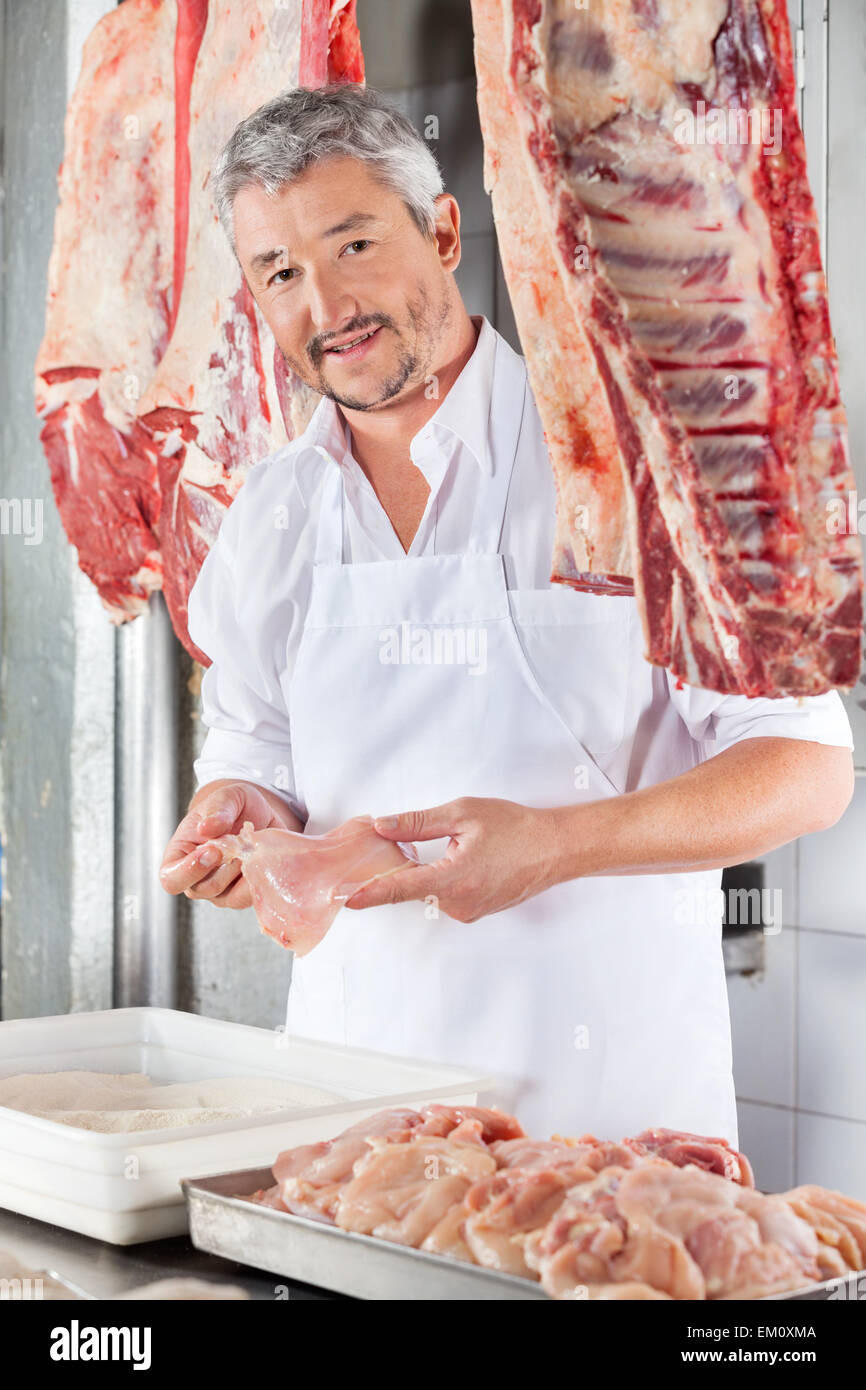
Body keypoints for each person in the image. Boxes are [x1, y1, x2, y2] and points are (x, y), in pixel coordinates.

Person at [160, 84, 854, 1139]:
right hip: (355, 1130)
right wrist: (240, 808)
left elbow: (803, 768)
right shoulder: (269, 513)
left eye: (353, 246)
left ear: (440, 230)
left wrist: (557, 842)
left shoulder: (625, 462)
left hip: (613, 1127)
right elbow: (256, 749)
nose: (326, 306)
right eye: (281, 272)